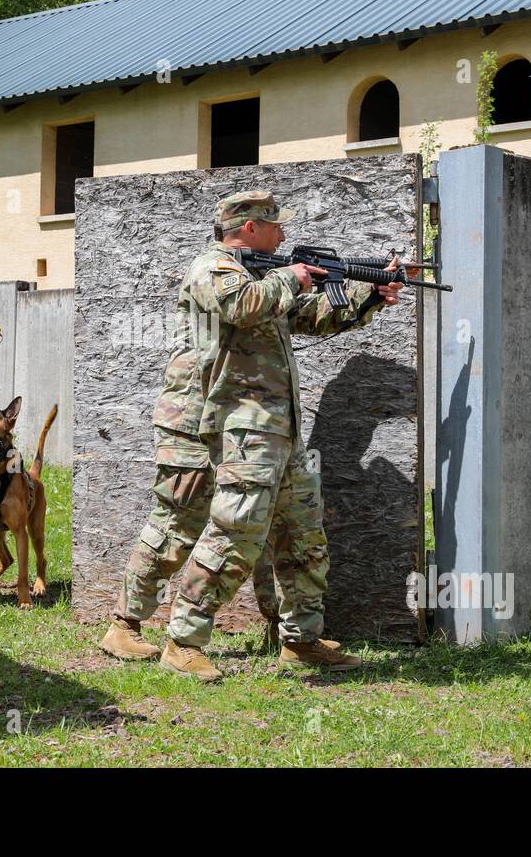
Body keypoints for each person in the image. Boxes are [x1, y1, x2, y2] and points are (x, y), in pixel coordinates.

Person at [104, 190, 403, 680]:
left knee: (303, 535)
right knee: (191, 527)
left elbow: (312, 317)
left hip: (270, 428)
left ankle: (300, 640)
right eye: (275, 225)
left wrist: (373, 292)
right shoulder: (214, 269)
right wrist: (291, 276)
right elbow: (240, 306)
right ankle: (142, 626)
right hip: (210, 423)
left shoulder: (265, 280)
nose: (283, 234)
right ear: (248, 227)